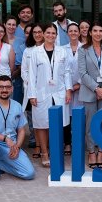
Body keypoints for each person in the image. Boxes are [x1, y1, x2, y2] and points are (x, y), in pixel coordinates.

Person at [0, 76, 36, 187]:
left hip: (11, 146)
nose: (4, 90)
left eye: (7, 87)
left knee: (29, 173)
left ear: (12, 89)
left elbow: (21, 130)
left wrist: (17, 147)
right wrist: (4, 138)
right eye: (1, 87)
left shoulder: (17, 106)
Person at [27, 24, 72, 166]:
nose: (51, 35)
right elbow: (32, 75)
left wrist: (68, 90)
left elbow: (67, 72)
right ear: (43, 34)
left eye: (54, 33)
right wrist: (32, 95)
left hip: (59, 92)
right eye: (48, 32)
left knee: (58, 123)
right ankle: (44, 153)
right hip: (41, 92)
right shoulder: (35, 52)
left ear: (56, 36)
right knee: (41, 124)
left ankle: (56, 152)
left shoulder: (62, 52)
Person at [77, 22, 102, 168]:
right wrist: (96, 88)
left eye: (101, 30)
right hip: (89, 92)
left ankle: (101, 151)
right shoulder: (83, 50)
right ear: (90, 33)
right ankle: (92, 152)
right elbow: (82, 73)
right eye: (95, 31)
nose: (98, 33)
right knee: (91, 123)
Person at [23, 22, 45, 154]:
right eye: (34, 32)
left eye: (39, 32)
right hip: (32, 90)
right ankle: (37, 145)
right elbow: (24, 72)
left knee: (45, 120)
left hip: (46, 90)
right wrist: (33, 85)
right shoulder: (28, 50)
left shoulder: (50, 48)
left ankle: (44, 145)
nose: (37, 34)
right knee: (34, 120)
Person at [63, 21, 83, 155]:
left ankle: (79, 142)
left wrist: (79, 85)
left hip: (82, 87)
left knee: (79, 116)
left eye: (76, 31)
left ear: (79, 33)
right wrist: (69, 87)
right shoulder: (62, 49)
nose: (73, 33)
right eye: (71, 31)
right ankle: (68, 144)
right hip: (66, 89)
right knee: (67, 117)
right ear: (67, 33)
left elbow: (88, 68)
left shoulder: (85, 48)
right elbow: (61, 70)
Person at [5, 16, 27, 104]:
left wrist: (14, 74)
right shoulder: (0, 40)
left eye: (13, 25)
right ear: (5, 25)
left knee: (16, 103)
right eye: (9, 24)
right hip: (2, 76)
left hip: (18, 77)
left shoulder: (21, 41)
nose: (11, 26)